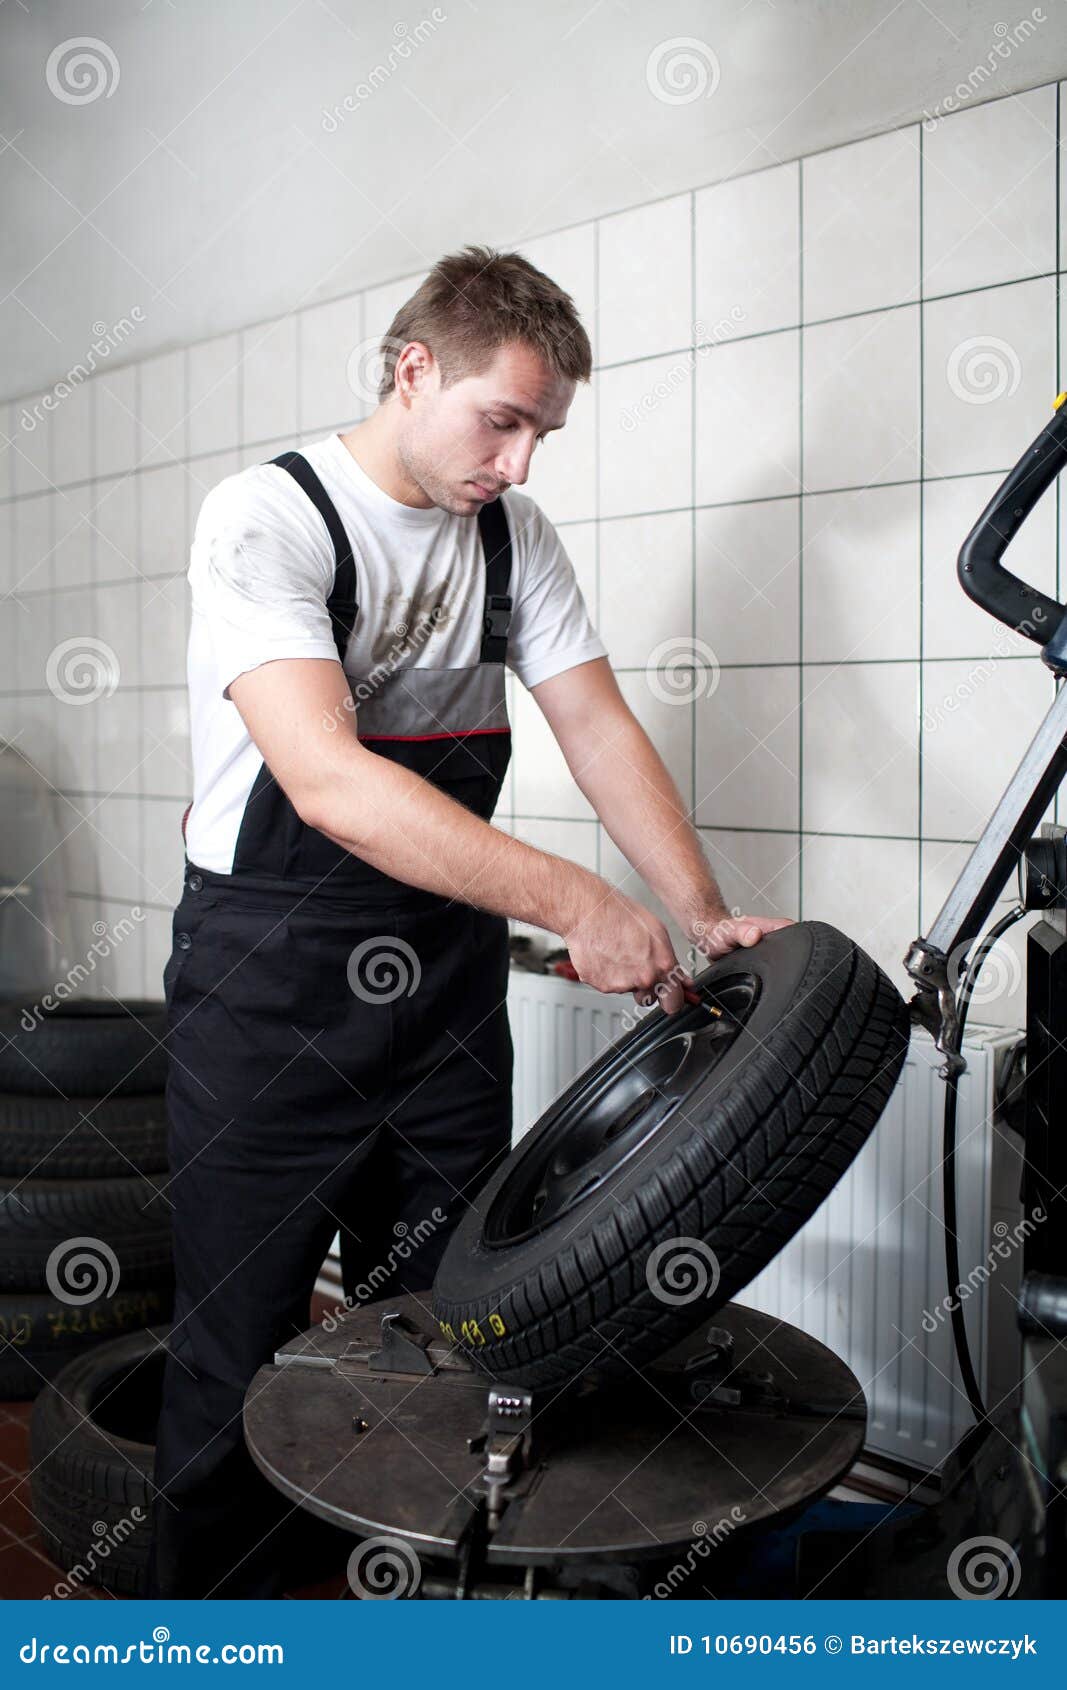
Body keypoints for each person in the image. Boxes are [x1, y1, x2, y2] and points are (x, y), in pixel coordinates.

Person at [147, 244, 788, 1598]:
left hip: (441, 1000)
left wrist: (699, 909)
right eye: (503, 419)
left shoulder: (513, 537)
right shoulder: (268, 520)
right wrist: (575, 901)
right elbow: (326, 784)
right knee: (236, 1348)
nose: (522, 459)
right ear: (412, 367)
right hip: (267, 992)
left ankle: (402, 1625)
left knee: (454, 1337)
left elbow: (597, 722)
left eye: (544, 431)